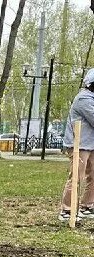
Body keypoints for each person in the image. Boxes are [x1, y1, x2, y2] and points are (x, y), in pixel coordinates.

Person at [58, 68, 94, 222]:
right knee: (76, 177)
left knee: (93, 176)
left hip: (91, 144)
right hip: (79, 144)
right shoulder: (84, 99)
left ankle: (87, 206)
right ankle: (67, 210)